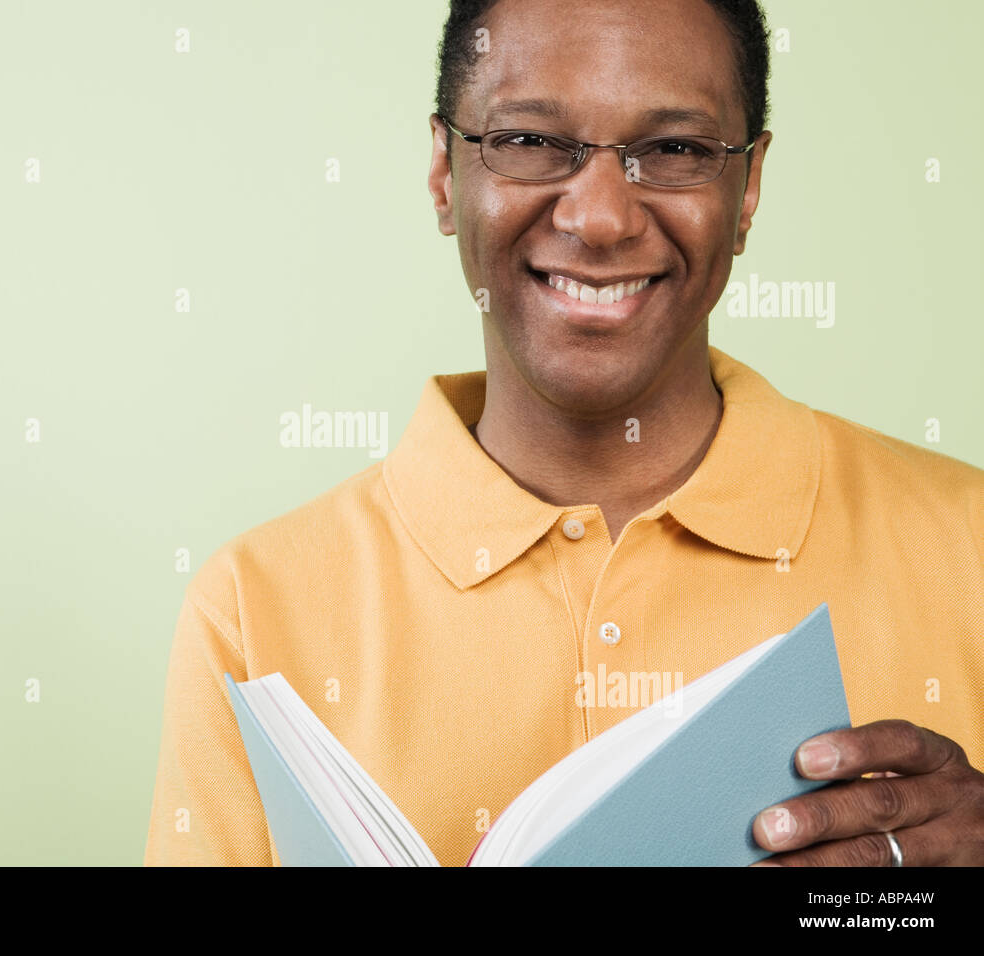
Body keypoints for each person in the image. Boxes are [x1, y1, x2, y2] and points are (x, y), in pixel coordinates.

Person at [144, 0, 984, 866]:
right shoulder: (251, 610)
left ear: (748, 188)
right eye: (532, 142)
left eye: (676, 150)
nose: (601, 218)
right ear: (443, 172)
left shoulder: (969, 546)